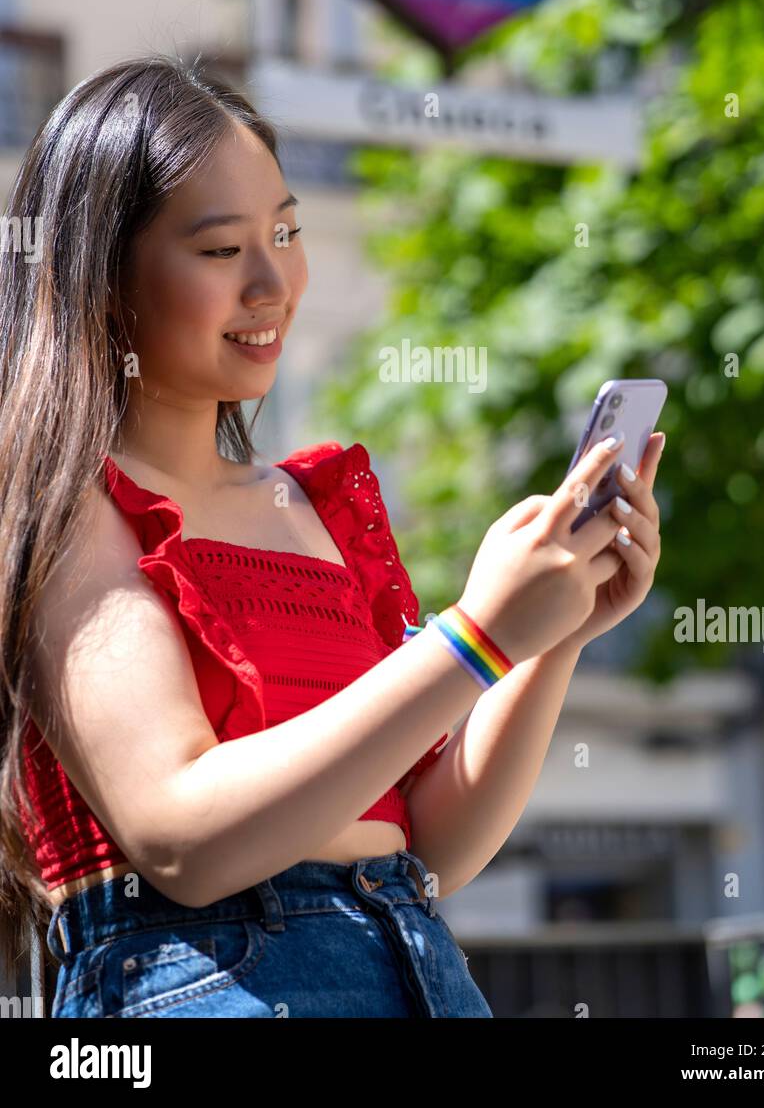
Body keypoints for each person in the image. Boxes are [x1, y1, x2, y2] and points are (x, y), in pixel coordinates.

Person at [0, 55, 664, 1018]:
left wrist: (545, 638)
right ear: (103, 278)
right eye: (223, 250)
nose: (273, 281)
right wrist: (476, 633)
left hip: (417, 962)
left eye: (287, 231)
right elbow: (184, 834)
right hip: (196, 980)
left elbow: (426, 843)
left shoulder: (319, 505)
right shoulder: (67, 500)